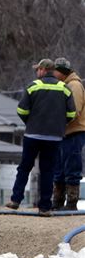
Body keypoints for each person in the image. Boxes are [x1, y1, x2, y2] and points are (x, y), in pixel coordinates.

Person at [7, 58, 77, 216]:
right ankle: (44, 207)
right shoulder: (65, 89)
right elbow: (72, 113)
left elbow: (22, 111)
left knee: (25, 167)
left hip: (33, 135)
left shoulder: (33, 86)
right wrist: (59, 124)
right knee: (48, 171)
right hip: (54, 137)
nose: (36, 72)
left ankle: (16, 200)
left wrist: (30, 123)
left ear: (44, 70)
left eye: (38, 69)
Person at [51, 57, 84, 210]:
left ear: (61, 72)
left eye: (55, 71)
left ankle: (71, 203)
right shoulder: (65, 85)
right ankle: (57, 201)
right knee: (60, 168)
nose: (53, 74)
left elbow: (74, 111)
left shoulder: (74, 86)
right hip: (65, 133)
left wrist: (57, 122)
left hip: (74, 132)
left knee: (72, 167)